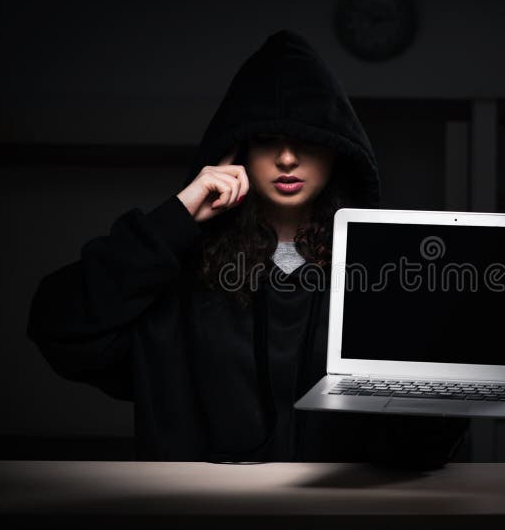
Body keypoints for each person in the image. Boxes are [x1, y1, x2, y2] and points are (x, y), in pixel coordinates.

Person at [26, 29, 469, 468]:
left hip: (342, 513)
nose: (288, 158)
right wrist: (175, 218)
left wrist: (448, 366)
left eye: (308, 140)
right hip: (201, 514)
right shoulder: (182, 276)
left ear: (338, 153)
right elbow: (60, 326)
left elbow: (420, 447)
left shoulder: (378, 279)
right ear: (237, 148)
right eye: (268, 139)